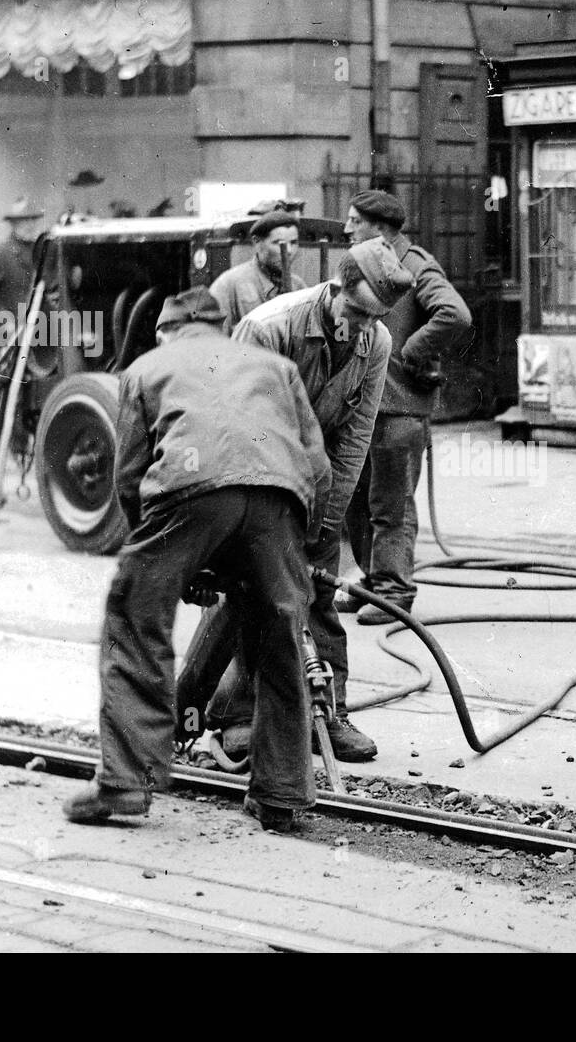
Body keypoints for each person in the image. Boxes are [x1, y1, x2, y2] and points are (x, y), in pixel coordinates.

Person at [63, 286, 332, 833]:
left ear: (165, 330)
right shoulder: (275, 365)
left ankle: (126, 784)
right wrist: (294, 545)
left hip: (188, 490)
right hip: (280, 496)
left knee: (134, 618)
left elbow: (130, 477)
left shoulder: (146, 367)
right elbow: (318, 466)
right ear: (221, 325)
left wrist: (174, 561)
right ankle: (283, 796)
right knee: (279, 633)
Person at [197, 238, 415, 764]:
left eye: (375, 319)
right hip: (251, 474)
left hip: (315, 480)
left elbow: (356, 433)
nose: (364, 328)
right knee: (252, 592)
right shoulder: (272, 327)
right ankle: (236, 714)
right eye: (357, 314)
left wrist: (328, 515)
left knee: (316, 591)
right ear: (336, 289)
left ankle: (329, 709)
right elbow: (239, 428)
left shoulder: (375, 341)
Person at [338, 190, 472, 624]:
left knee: (390, 506)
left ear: (380, 228)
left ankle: (395, 595)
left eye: (355, 220)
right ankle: (374, 584)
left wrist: (412, 351)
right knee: (357, 502)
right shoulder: (364, 264)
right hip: (364, 410)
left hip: (399, 409)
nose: (347, 228)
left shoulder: (415, 265)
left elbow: (454, 314)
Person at [0, 198, 44, 399]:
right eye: (23, 220)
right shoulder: (0, 254)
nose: (30, 225)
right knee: (7, 397)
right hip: (9, 338)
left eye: (33, 220)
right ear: (13, 224)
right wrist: (5, 322)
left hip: (37, 336)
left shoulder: (42, 253)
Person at [210, 211, 307, 330]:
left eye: (293, 243)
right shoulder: (229, 285)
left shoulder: (299, 286)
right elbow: (215, 338)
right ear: (256, 242)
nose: (289, 250)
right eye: (278, 243)